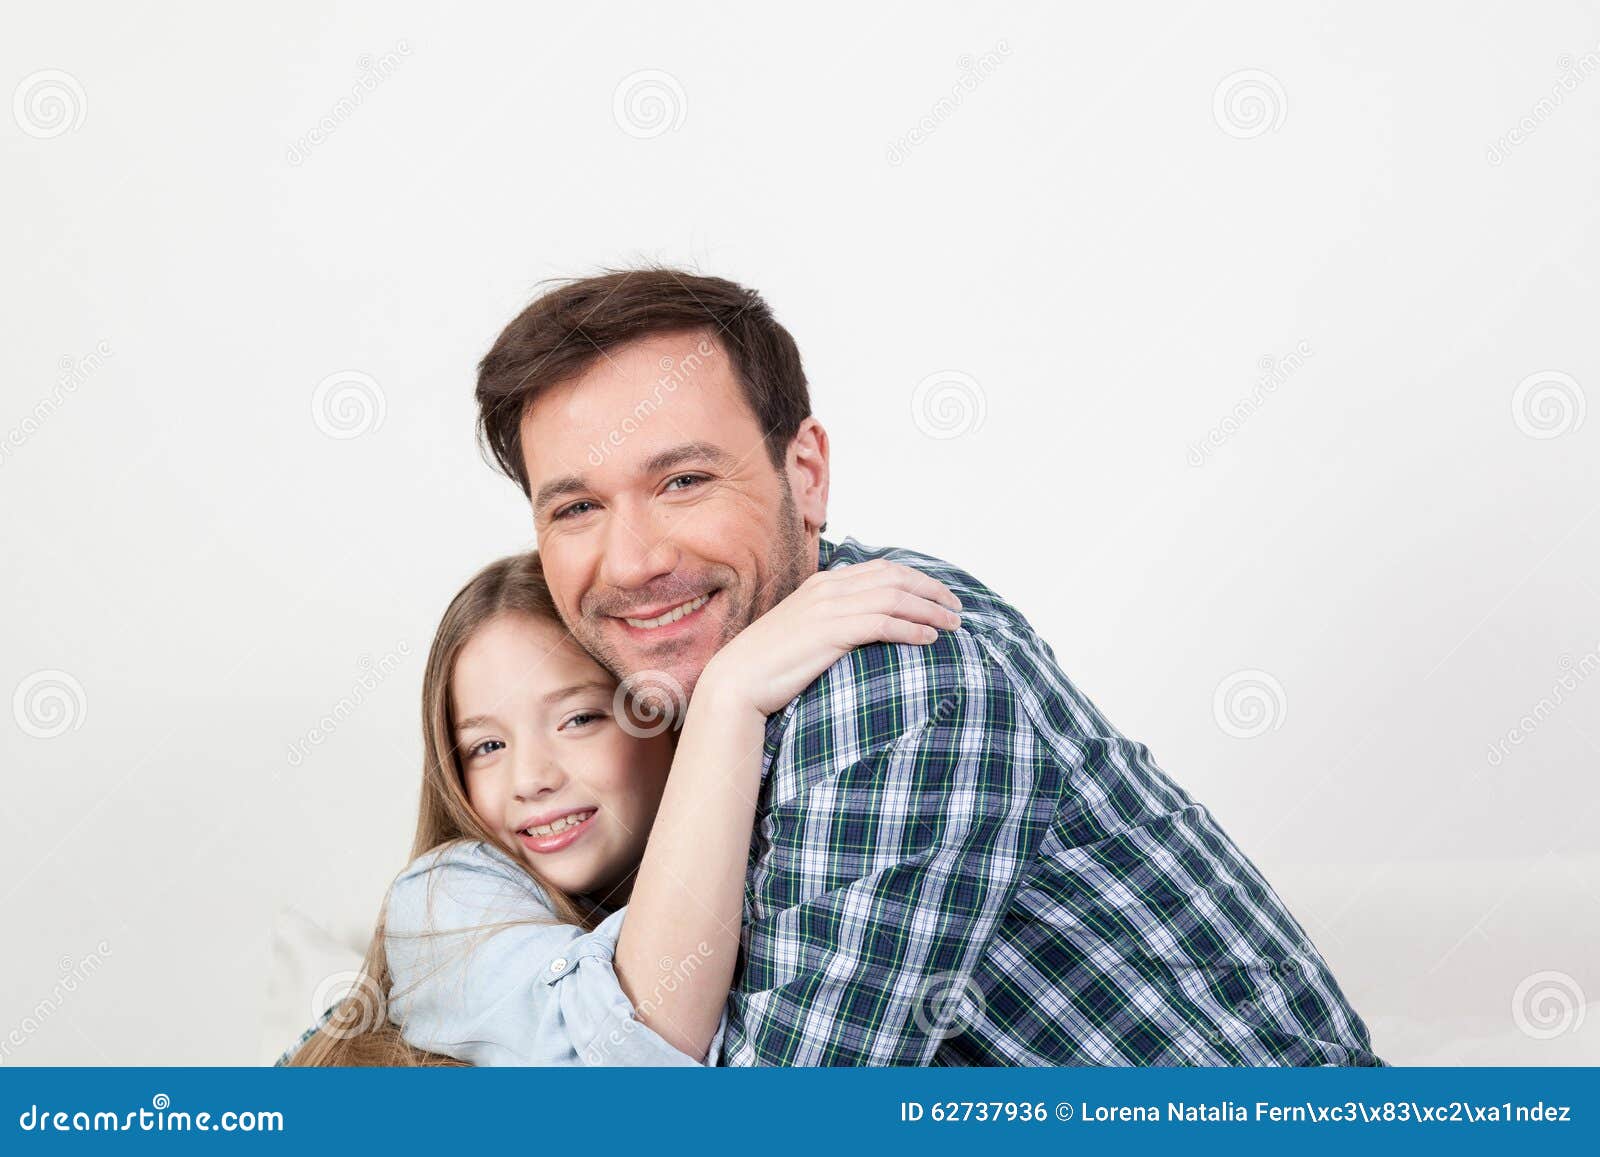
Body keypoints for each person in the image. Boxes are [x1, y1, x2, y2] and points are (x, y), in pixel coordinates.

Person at [466, 267, 1385, 1066]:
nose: (631, 563)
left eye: (683, 481)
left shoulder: (899, 688)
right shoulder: (698, 682)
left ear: (807, 473)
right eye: (577, 507)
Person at [281, 550, 959, 1065]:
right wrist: (730, 694)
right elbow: (622, 1067)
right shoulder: (443, 896)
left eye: (577, 720)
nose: (530, 777)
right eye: (485, 744)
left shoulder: (767, 858)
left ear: (661, 718)